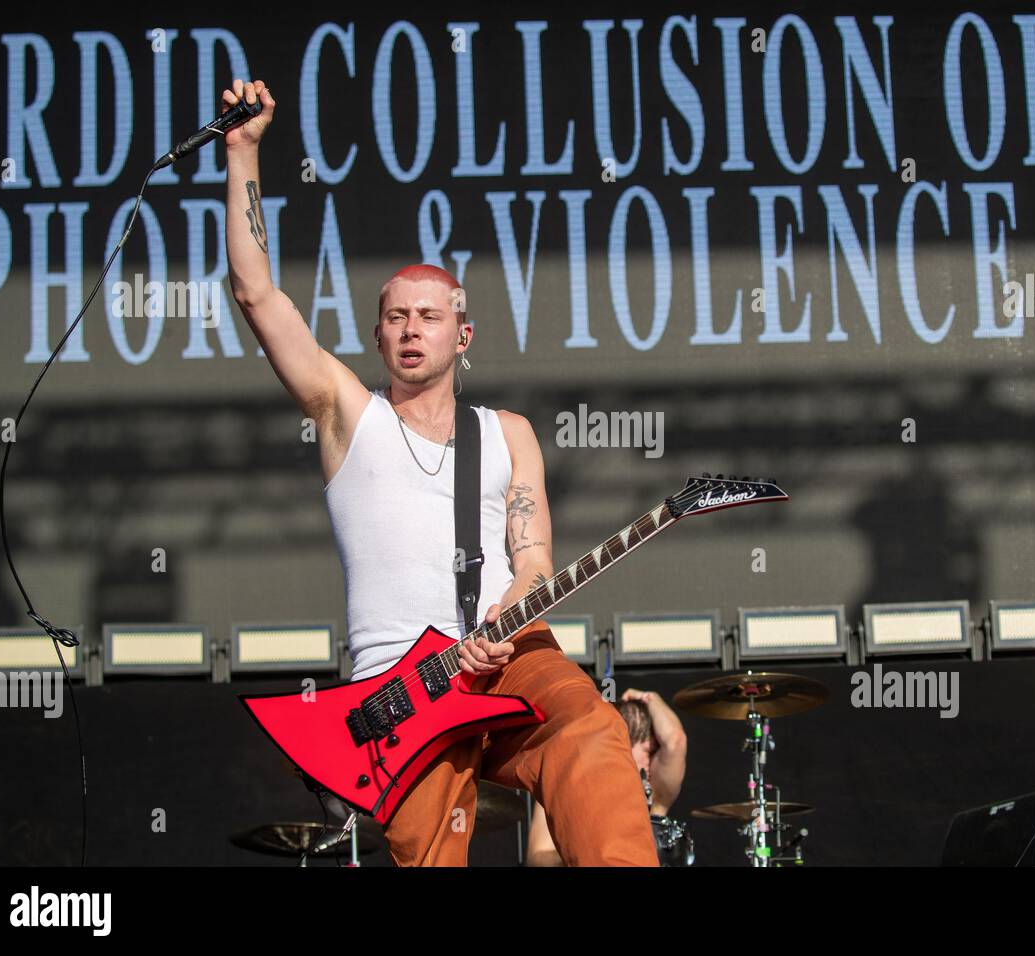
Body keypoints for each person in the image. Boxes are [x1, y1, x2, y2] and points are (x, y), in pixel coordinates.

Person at [222, 78, 657, 866]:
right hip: (400, 685)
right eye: (395, 316)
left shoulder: (507, 433)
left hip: (509, 655)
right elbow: (256, 293)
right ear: (381, 336)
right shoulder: (348, 415)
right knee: (433, 851)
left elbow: (533, 562)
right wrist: (244, 151)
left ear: (464, 335)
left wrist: (503, 623)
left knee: (593, 732)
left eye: (429, 315)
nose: (410, 328)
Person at [527, 689, 687, 866]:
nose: (653, 761)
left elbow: (675, 739)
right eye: (649, 751)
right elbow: (537, 858)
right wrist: (585, 855)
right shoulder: (562, 782)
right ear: (621, 743)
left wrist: (648, 697)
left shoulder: (654, 796)